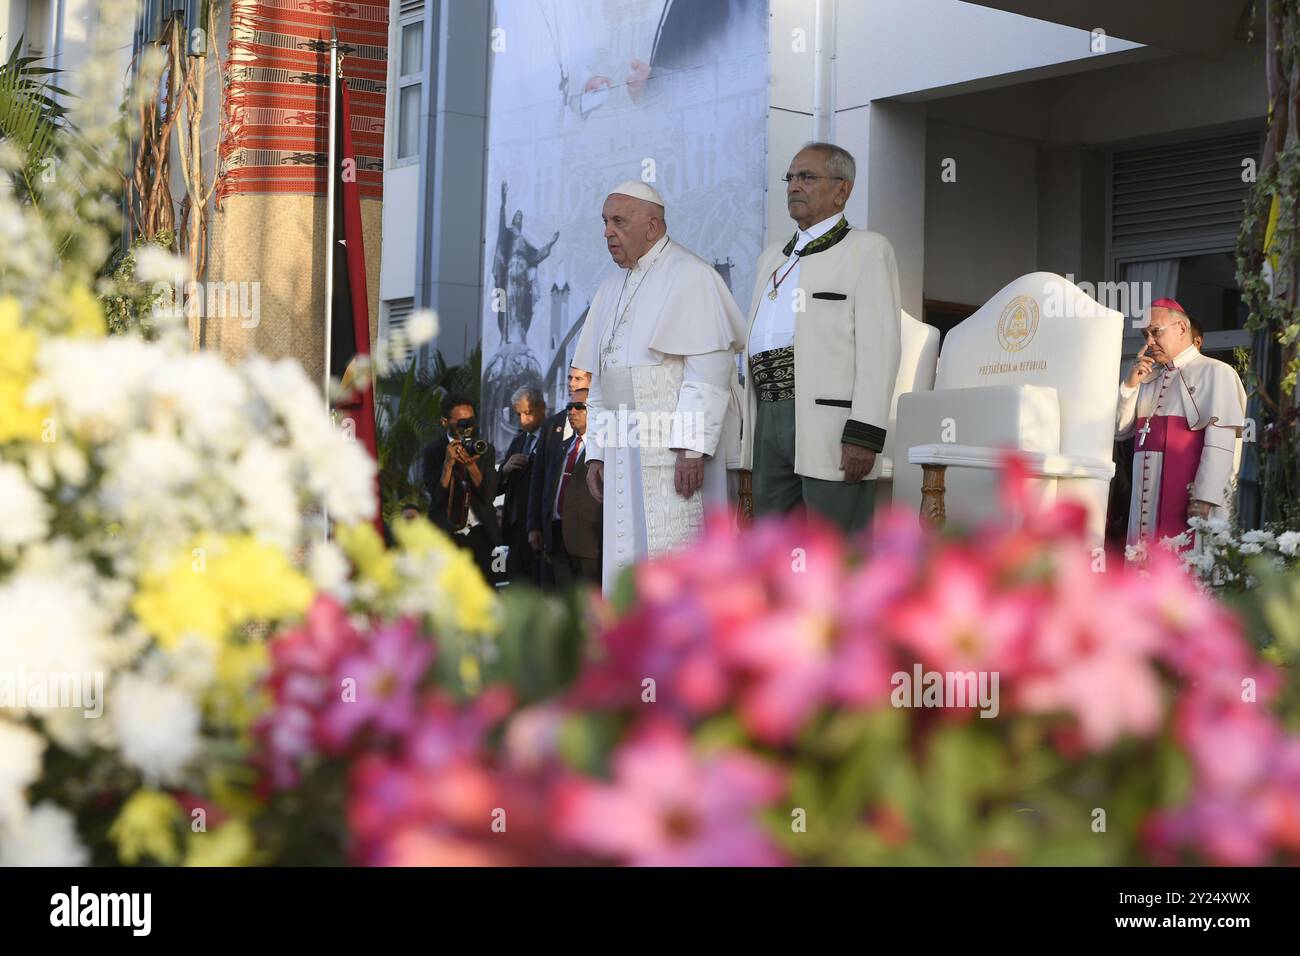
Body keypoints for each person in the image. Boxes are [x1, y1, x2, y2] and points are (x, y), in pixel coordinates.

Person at [573, 180, 746, 593]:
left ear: (652, 227)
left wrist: (690, 448)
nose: (607, 232)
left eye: (618, 221)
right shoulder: (610, 287)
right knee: (626, 551)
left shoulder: (693, 276)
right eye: (604, 222)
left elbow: (710, 371)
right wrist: (596, 452)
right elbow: (601, 381)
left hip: (672, 447)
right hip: (622, 444)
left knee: (678, 554)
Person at [740, 142, 902, 532]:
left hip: (829, 423)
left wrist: (864, 433)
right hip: (770, 414)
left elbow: (880, 349)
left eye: (807, 177)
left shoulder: (867, 250)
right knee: (773, 546)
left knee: (835, 548)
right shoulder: (771, 258)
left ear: (842, 190)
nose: (794, 186)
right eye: (791, 177)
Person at [1116, 297, 1247, 553]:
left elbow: (1222, 442)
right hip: (1146, 498)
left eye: (1156, 332)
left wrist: (1205, 496)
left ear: (1182, 329)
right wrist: (1130, 386)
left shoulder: (1216, 372)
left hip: (1190, 500)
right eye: (1145, 334)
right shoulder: (1149, 378)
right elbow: (1121, 431)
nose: (1149, 342)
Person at [423, 394, 500, 577]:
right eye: (461, 422)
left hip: (480, 535)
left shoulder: (483, 448)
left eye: (471, 421)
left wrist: (471, 465)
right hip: (445, 537)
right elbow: (438, 497)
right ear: (444, 422)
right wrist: (448, 464)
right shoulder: (432, 451)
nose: (467, 427)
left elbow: (489, 496)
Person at [528, 366, 591, 590]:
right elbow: (540, 477)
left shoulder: (606, 441)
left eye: (579, 378)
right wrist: (534, 524)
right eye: (570, 378)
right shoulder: (554, 426)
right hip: (553, 535)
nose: (573, 383)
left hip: (587, 542)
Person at [536, 397, 601, 588]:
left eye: (579, 407)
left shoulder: (602, 449)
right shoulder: (563, 446)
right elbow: (547, 487)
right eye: (569, 407)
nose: (572, 412)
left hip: (587, 542)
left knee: (588, 608)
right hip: (556, 536)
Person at [500, 386, 547, 586]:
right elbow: (499, 487)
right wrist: (505, 469)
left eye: (527, 413)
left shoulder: (553, 438)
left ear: (542, 407)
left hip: (540, 530)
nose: (522, 420)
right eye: (518, 414)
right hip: (516, 530)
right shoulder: (518, 441)